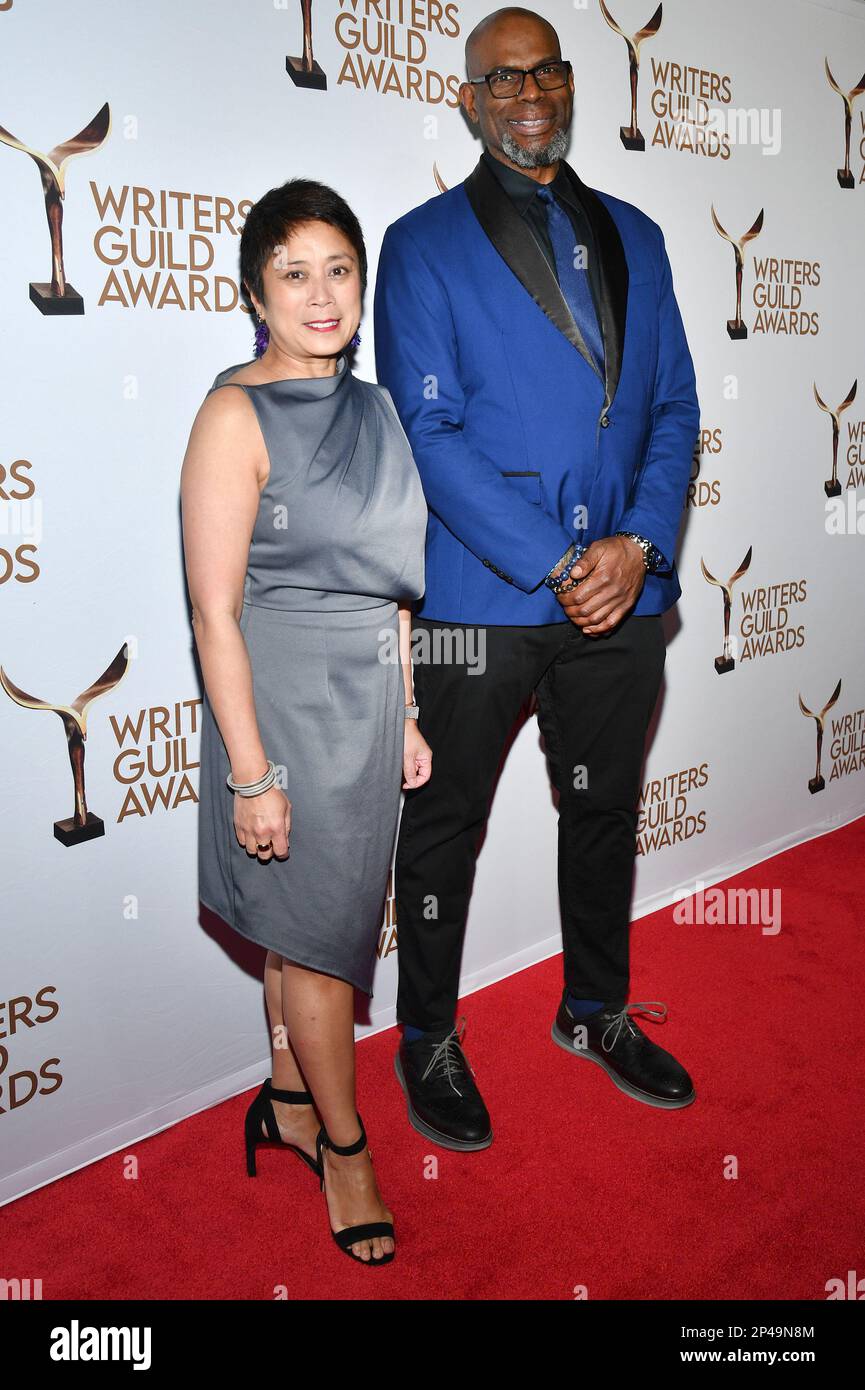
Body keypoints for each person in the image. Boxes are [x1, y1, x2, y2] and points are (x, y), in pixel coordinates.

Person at [374, 6, 701, 1152]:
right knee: (442, 823)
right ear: (469, 100)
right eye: (500, 77)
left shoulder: (640, 235)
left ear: (572, 85)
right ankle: (425, 1035)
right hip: (479, 598)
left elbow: (670, 409)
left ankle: (594, 1010)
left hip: (623, 595)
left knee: (602, 806)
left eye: (547, 70)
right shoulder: (418, 245)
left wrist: (638, 545)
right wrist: (560, 558)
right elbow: (430, 431)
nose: (527, 90)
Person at [180, 178, 430, 1262]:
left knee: (302, 932)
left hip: (367, 702)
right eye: (294, 273)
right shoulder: (233, 412)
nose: (320, 295)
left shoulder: (376, 406)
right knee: (327, 950)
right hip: (276, 706)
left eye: (338, 270)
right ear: (255, 292)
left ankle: (285, 1099)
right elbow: (212, 610)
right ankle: (346, 1148)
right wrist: (251, 773)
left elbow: (391, 588)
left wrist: (408, 715)